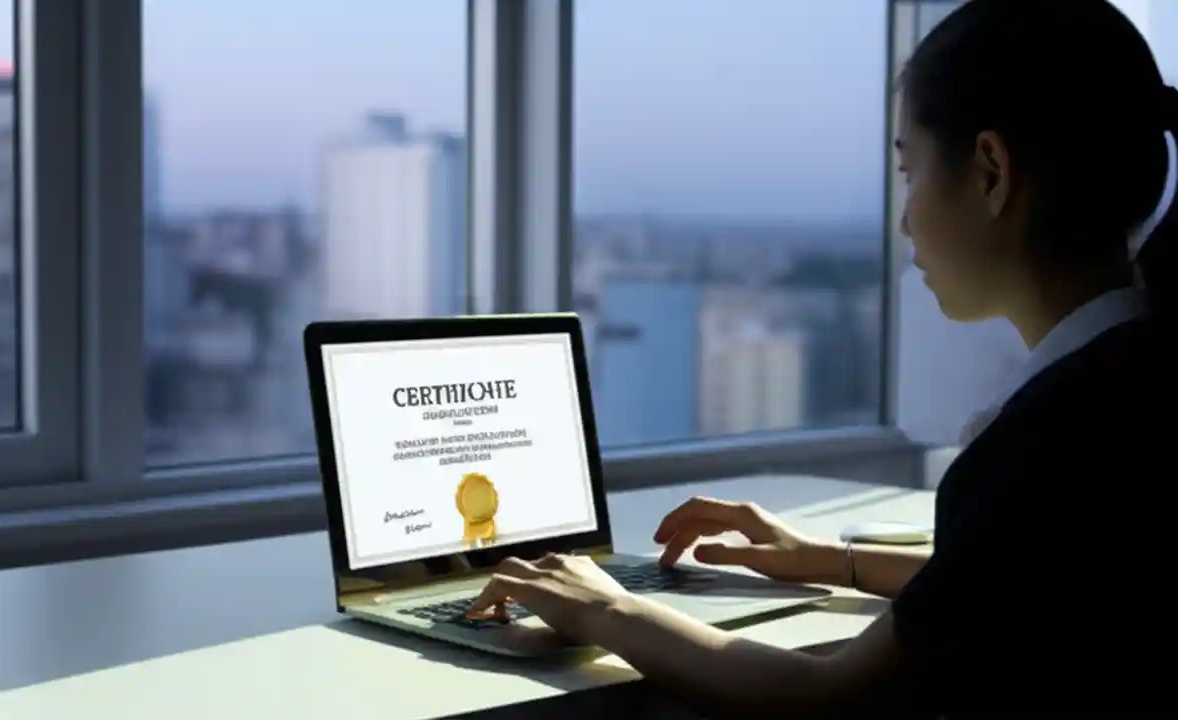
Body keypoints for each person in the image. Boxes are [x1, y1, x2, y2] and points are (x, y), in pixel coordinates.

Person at [466, 0, 1178, 715]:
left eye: (909, 172)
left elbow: (826, 698)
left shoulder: (1048, 441)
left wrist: (604, 608)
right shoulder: (1137, 385)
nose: (905, 220)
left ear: (990, 173)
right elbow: (1018, 574)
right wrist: (827, 560)